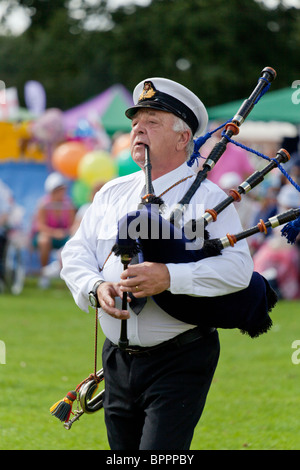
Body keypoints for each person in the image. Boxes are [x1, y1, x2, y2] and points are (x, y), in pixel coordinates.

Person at [60, 78, 254, 450]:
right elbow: (76, 252)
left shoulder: (208, 198)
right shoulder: (112, 193)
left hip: (179, 357)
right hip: (116, 358)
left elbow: (237, 270)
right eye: (136, 122)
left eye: (152, 121)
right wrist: (96, 286)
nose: (137, 128)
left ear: (183, 138)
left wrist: (169, 276)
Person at [31, 172, 76, 288]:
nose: (61, 192)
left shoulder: (68, 204)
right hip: (48, 234)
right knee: (44, 241)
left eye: (62, 189)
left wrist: (66, 233)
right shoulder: (43, 204)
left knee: (74, 241)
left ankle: (70, 275)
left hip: (63, 236)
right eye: (58, 189)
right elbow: (41, 225)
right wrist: (55, 233)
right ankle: (44, 275)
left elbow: (72, 225)